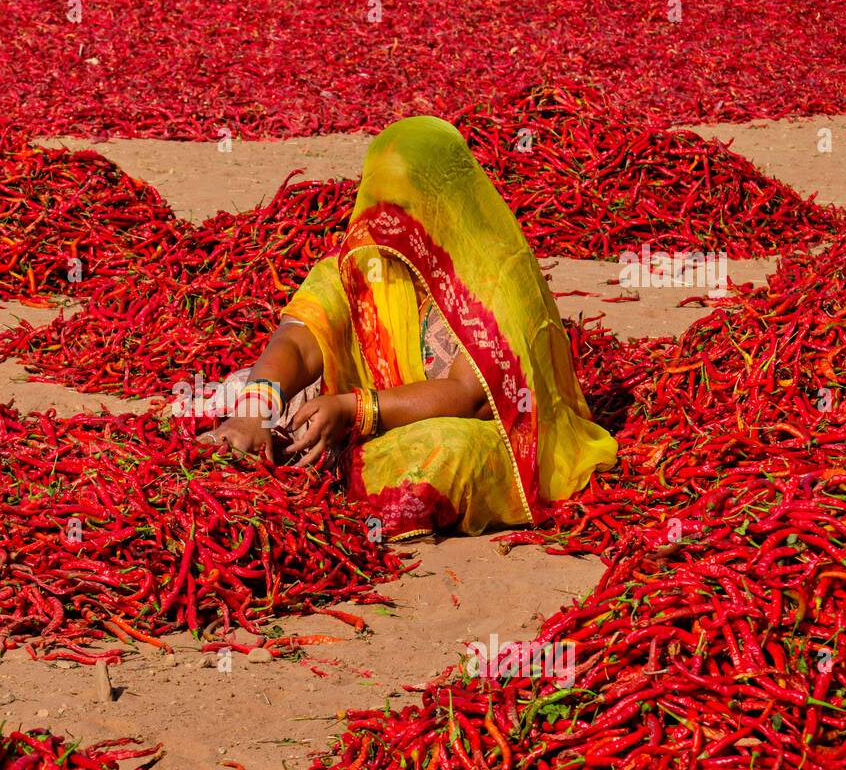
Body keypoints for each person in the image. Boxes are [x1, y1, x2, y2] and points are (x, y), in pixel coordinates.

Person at [201, 116, 617, 541]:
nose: (389, 219)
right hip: (368, 413)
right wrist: (256, 411)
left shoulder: (497, 279)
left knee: (443, 454)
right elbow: (298, 338)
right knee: (247, 392)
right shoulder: (366, 264)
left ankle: (343, 478)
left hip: (498, 431)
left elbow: (472, 397)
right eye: (381, 202)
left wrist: (354, 409)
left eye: (407, 205)